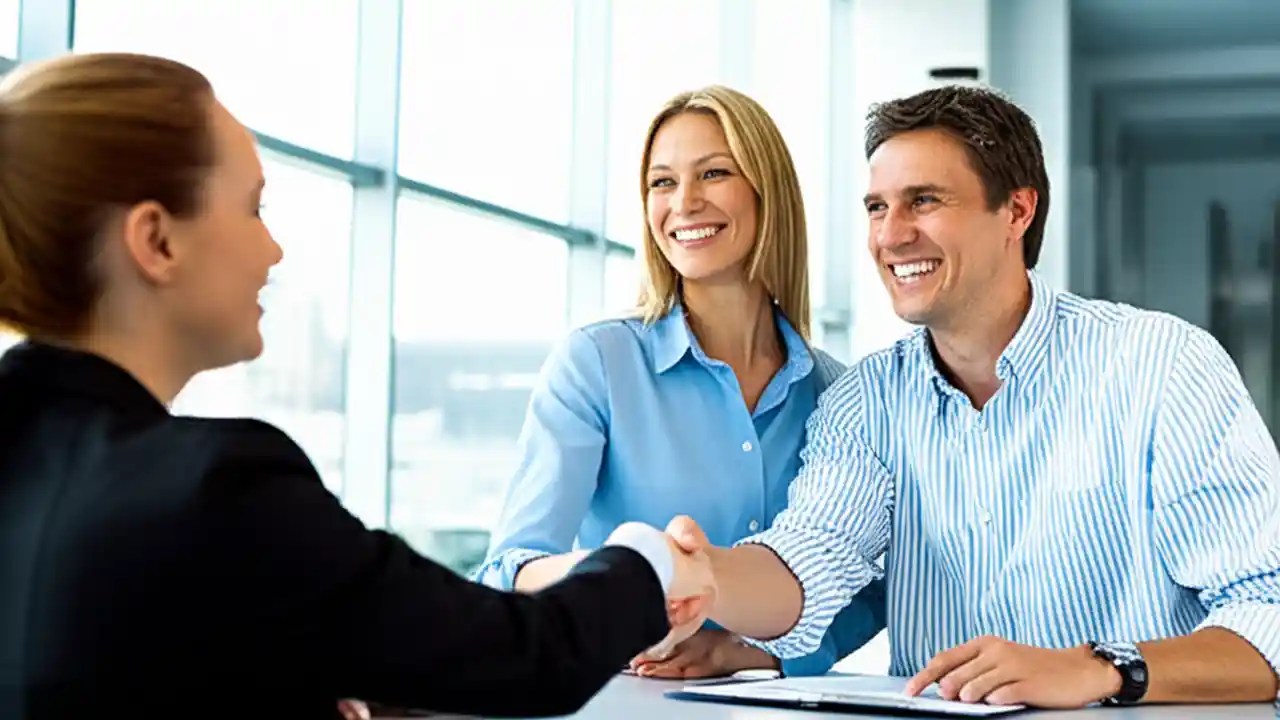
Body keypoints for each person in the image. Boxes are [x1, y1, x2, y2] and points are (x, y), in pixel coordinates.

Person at [0, 52, 715, 719]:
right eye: (254, 207)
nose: (273, 249)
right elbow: (528, 655)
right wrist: (646, 560)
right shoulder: (216, 486)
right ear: (157, 242)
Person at [660, 84, 1280, 709]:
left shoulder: (1163, 367)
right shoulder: (867, 402)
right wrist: (708, 575)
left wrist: (1099, 669)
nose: (891, 236)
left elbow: (1269, 613)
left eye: (923, 201)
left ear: (1016, 211)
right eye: (877, 208)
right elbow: (811, 559)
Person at [474, 85, 886, 679]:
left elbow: (875, 585)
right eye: (662, 183)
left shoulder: (836, 395)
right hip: (626, 697)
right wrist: (639, 570)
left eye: (713, 173)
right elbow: (511, 567)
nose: (684, 202)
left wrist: (751, 651)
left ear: (766, 191)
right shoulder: (599, 363)